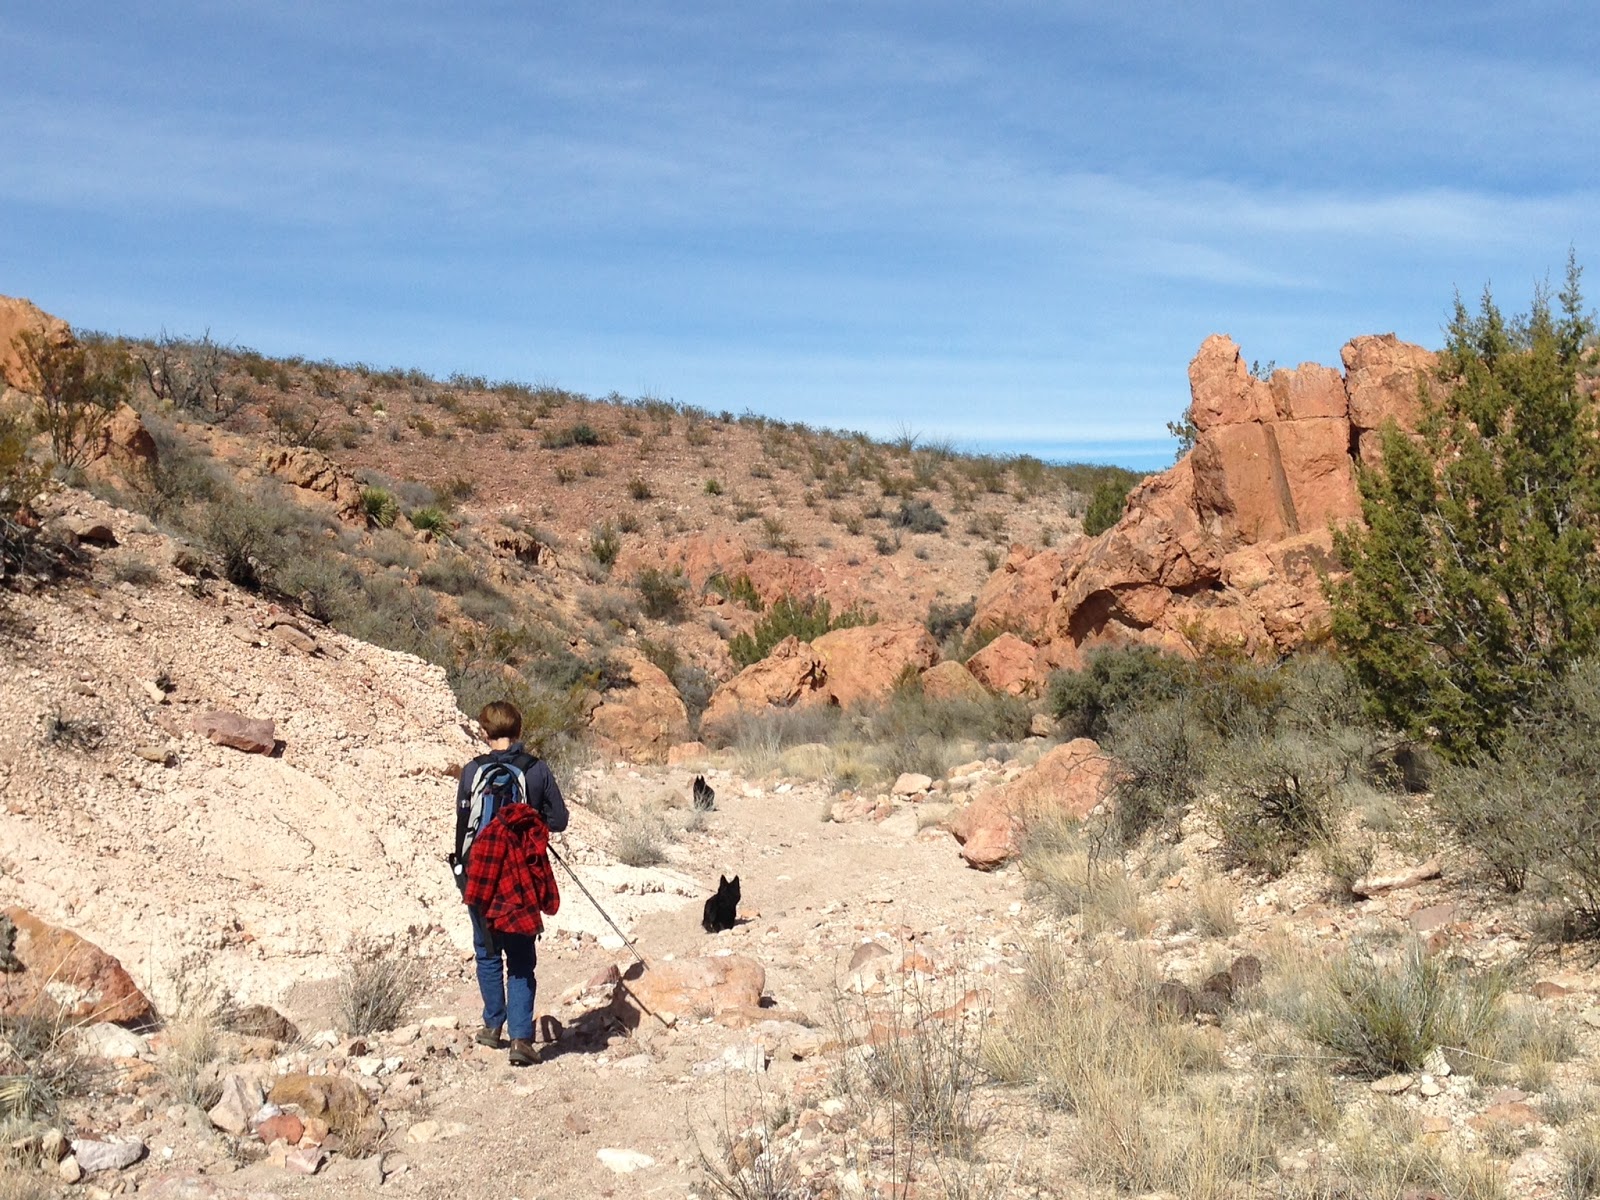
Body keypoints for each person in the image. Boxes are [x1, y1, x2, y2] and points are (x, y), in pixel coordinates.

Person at [454, 700, 568, 1066]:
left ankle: (492, 1027)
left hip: (479, 871)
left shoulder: (472, 771)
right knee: (520, 958)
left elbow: (461, 825)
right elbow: (560, 819)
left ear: (485, 731)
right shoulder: (536, 770)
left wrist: (461, 869)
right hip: (519, 874)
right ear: (519, 730)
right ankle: (521, 1039)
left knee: (487, 951)